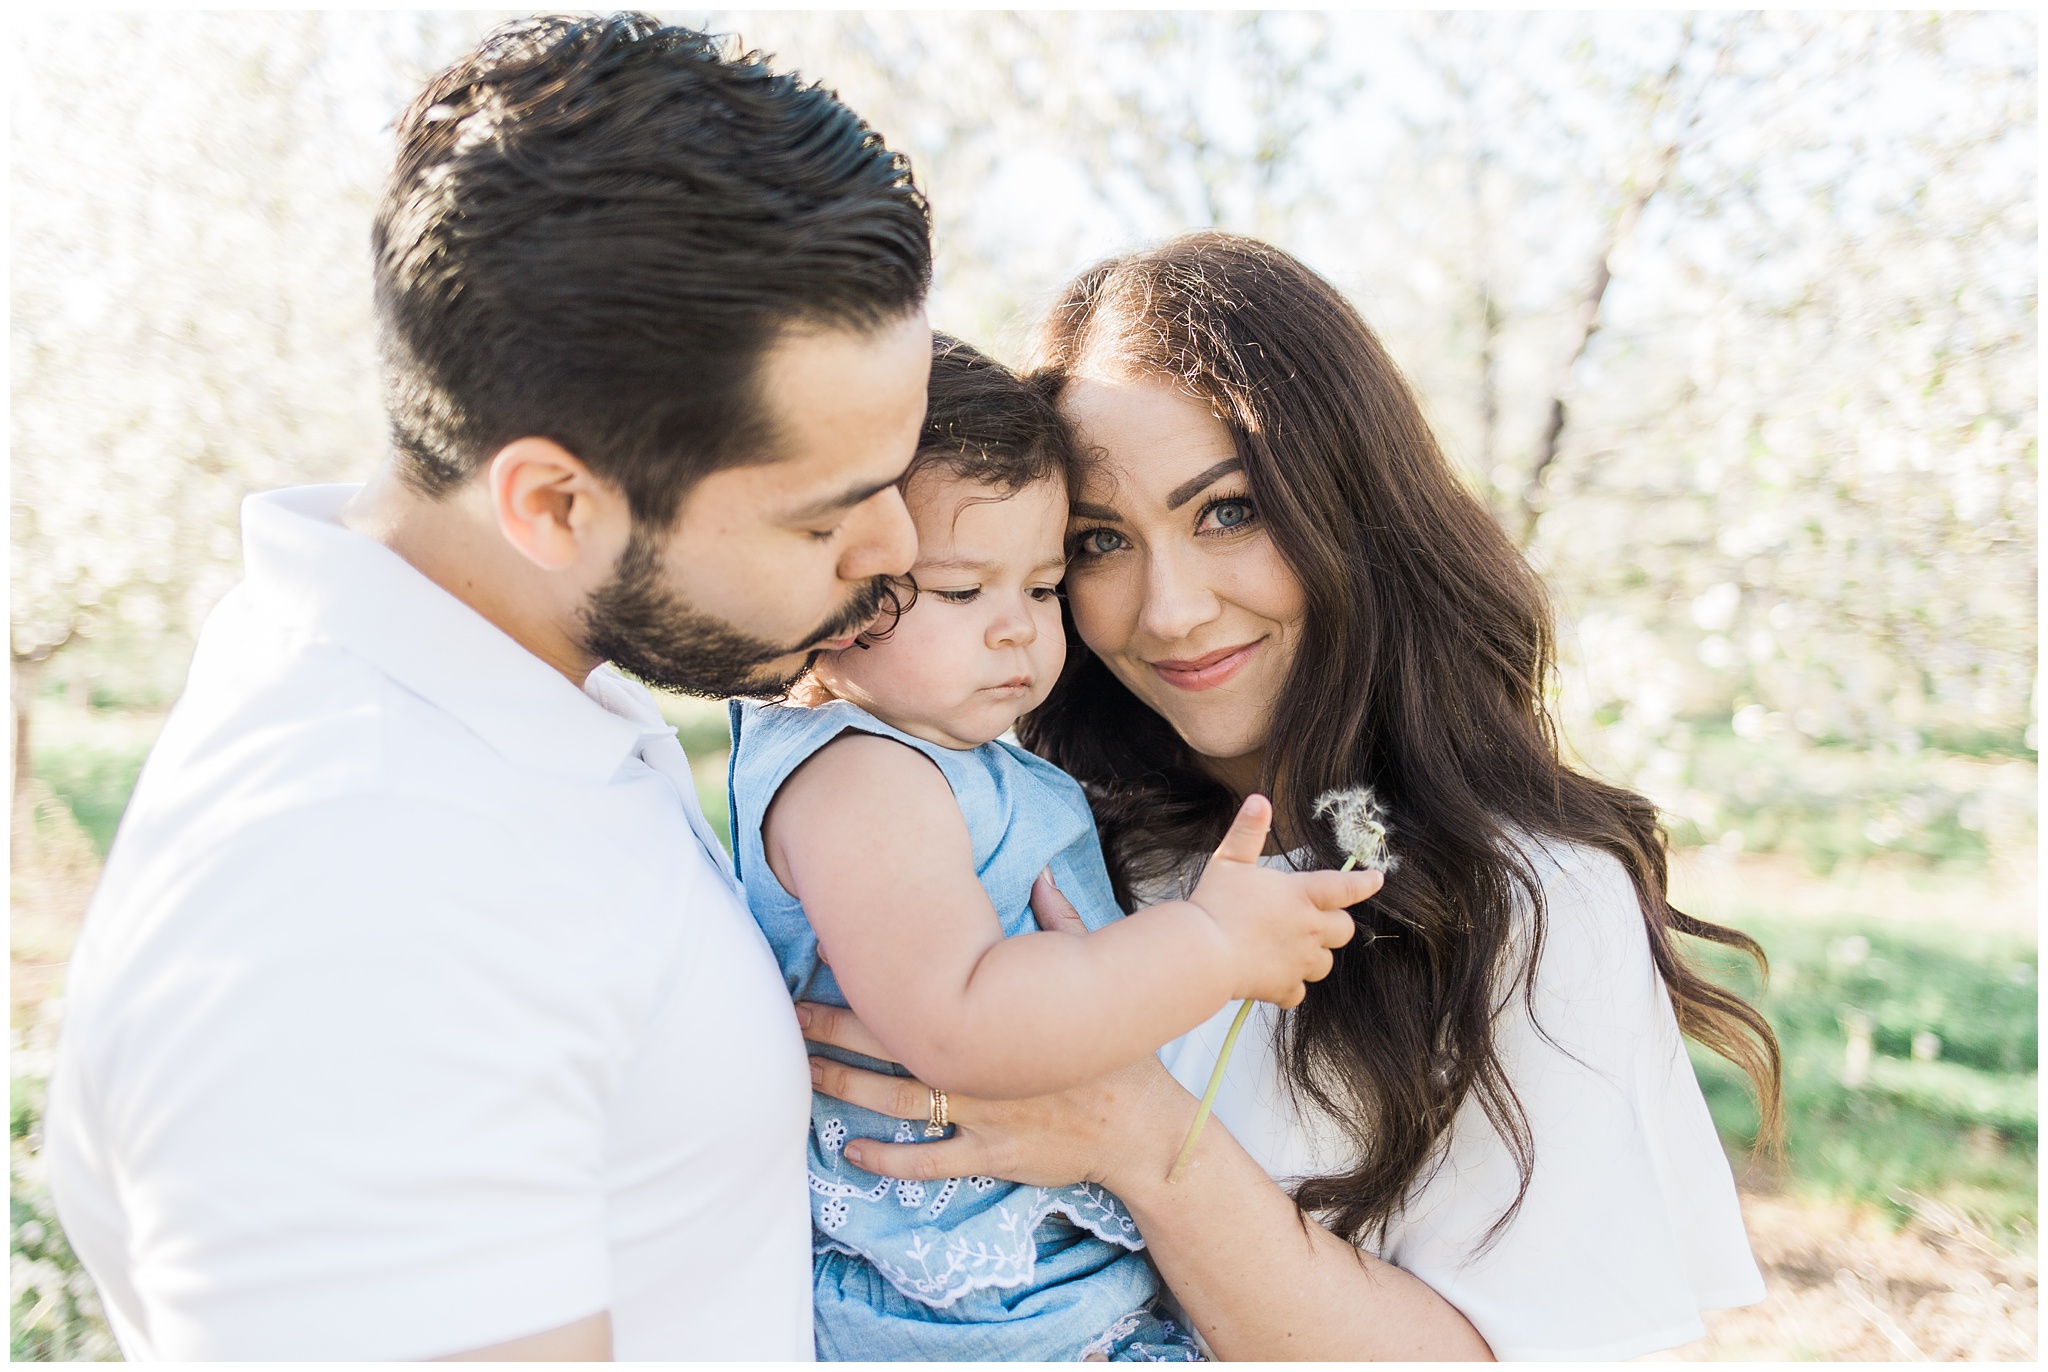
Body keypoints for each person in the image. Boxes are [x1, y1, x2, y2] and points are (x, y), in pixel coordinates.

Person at [46, 15, 935, 1360]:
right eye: (825, 521)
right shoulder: (357, 895)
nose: (900, 555)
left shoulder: (494, 696)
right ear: (552, 503)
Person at [804, 233, 1783, 1361]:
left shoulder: (1535, 901)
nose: (1168, 610)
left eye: (1225, 512)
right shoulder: (1014, 828)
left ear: (1351, 507)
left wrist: (1133, 1130)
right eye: (1100, 541)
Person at [727, 337, 1376, 1360]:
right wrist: (1206, 945)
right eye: (957, 591)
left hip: (1035, 1286)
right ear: (837, 577)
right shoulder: (860, 778)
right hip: (965, 1311)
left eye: (1038, 588)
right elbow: (958, 1019)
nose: (1015, 632)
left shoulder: (948, 757)